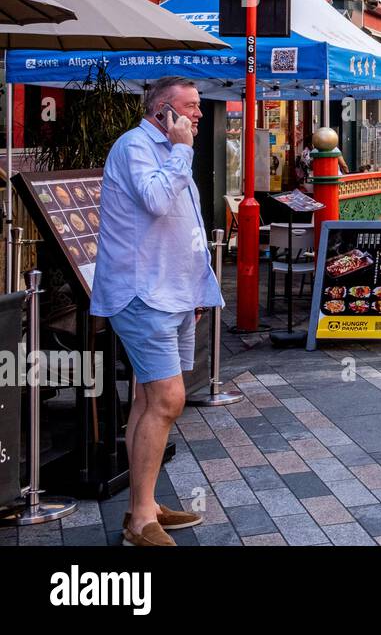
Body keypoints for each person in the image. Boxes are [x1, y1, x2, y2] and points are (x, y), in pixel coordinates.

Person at [90, 77, 222, 546]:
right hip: (143, 293)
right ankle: (140, 521)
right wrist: (182, 149)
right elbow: (156, 200)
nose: (199, 115)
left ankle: (141, 506)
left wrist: (198, 288)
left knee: (148, 400)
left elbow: (185, 225)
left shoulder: (167, 150)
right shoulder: (135, 147)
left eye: (199, 107)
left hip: (173, 292)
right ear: (164, 112)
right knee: (168, 399)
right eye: (191, 107)